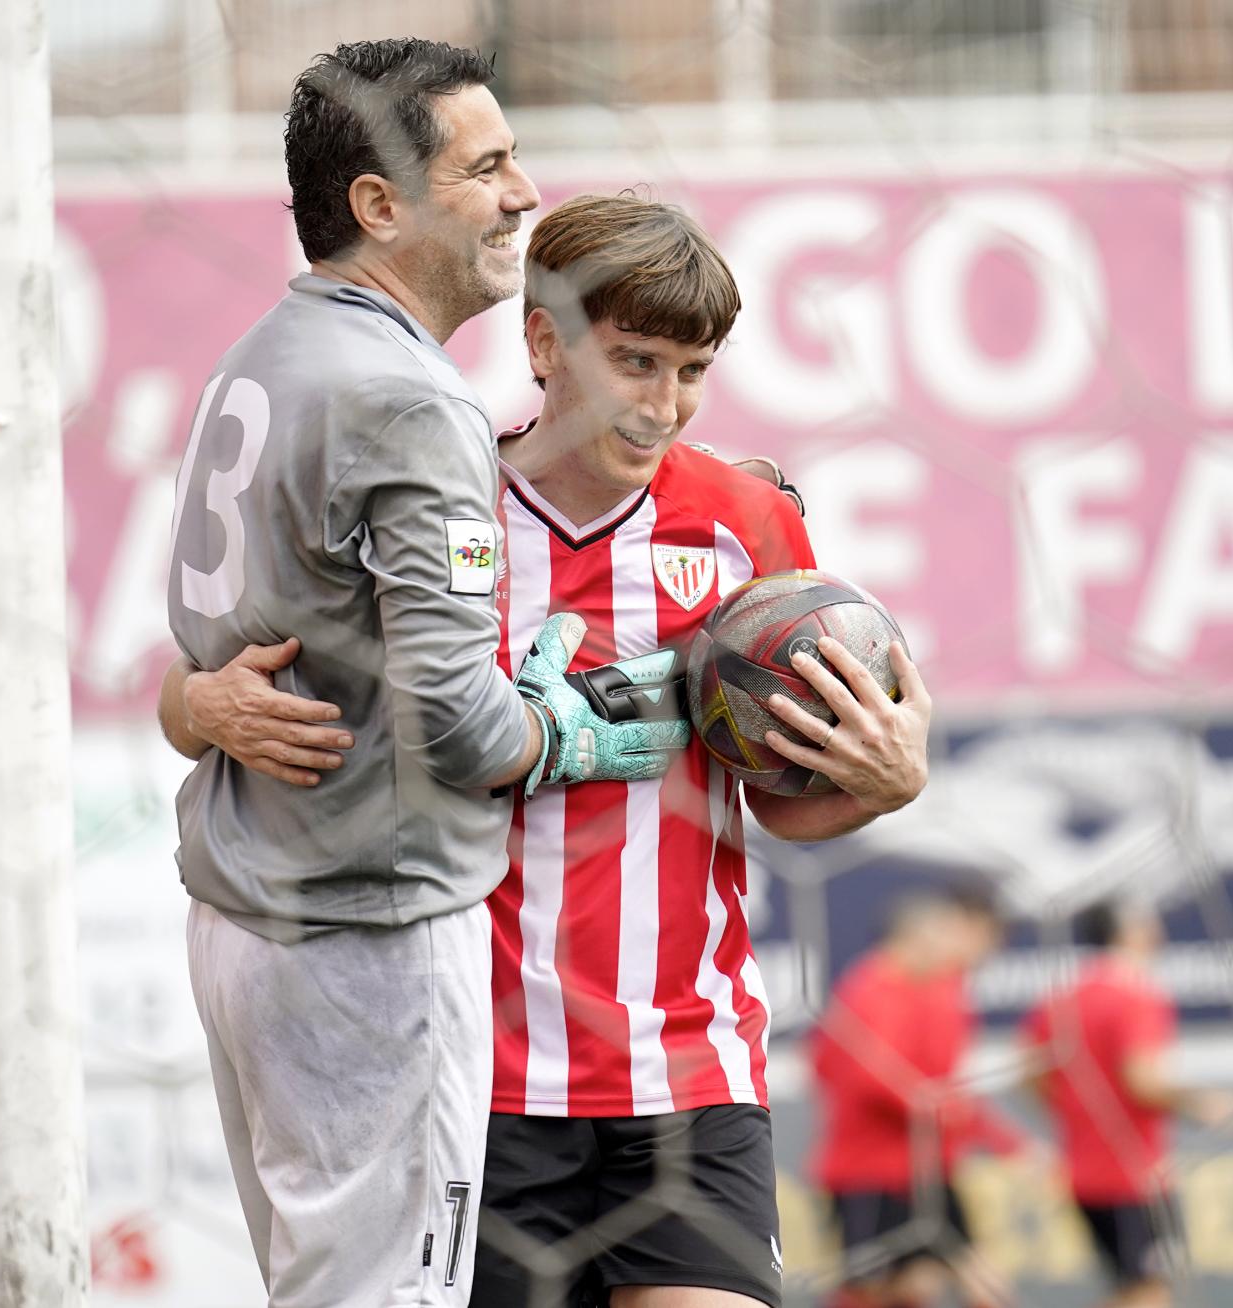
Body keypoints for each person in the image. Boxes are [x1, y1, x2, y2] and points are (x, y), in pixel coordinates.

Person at [175, 191, 934, 1308]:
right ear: (542, 340)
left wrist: (887, 780)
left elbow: (780, 797)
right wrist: (202, 704)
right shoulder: (442, 494)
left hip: (690, 1063)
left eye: (691, 369)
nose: (662, 404)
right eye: (635, 361)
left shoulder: (743, 524)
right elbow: (197, 681)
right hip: (479, 1075)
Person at [160, 41, 686, 1308]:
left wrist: (191, 706)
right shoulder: (408, 396)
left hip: (247, 917)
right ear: (380, 205)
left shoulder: (258, 357)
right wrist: (561, 730)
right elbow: (456, 723)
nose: (524, 193)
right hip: (367, 931)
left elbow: (207, 666)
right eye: (489, 165)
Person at [808, 883, 1026, 1308]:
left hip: (922, 1169)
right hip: (870, 1172)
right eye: (942, 936)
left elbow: (939, 1085)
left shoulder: (934, 991)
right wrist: (945, 1111)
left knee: (936, 1282)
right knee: (874, 1289)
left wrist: (992, 1133)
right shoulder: (871, 989)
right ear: (916, 938)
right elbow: (867, 1077)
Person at [1020, 898, 1233, 1308]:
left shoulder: (1061, 997)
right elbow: (1142, 1081)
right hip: (1132, 1175)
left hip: (1082, 1173)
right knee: (1148, 1295)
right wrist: (1203, 1103)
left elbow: (1030, 1073)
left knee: (1130, 1290)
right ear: (1130, 930)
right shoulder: (1136, 994)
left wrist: (1074, 1112)